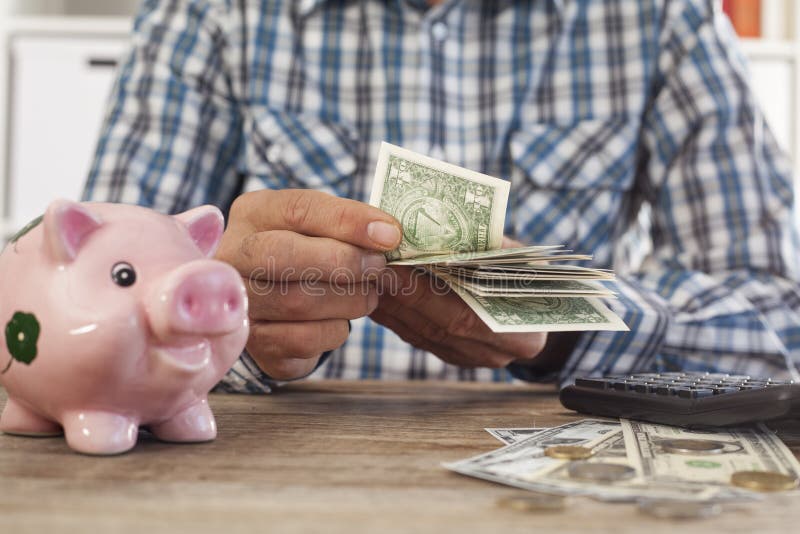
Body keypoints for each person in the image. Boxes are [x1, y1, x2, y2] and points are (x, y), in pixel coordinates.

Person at [83, 0, 800, 392]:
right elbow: (89, 304)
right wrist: (230, 331)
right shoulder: (206, 14)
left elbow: (779, 325)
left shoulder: (665, 17)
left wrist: (569, 317)